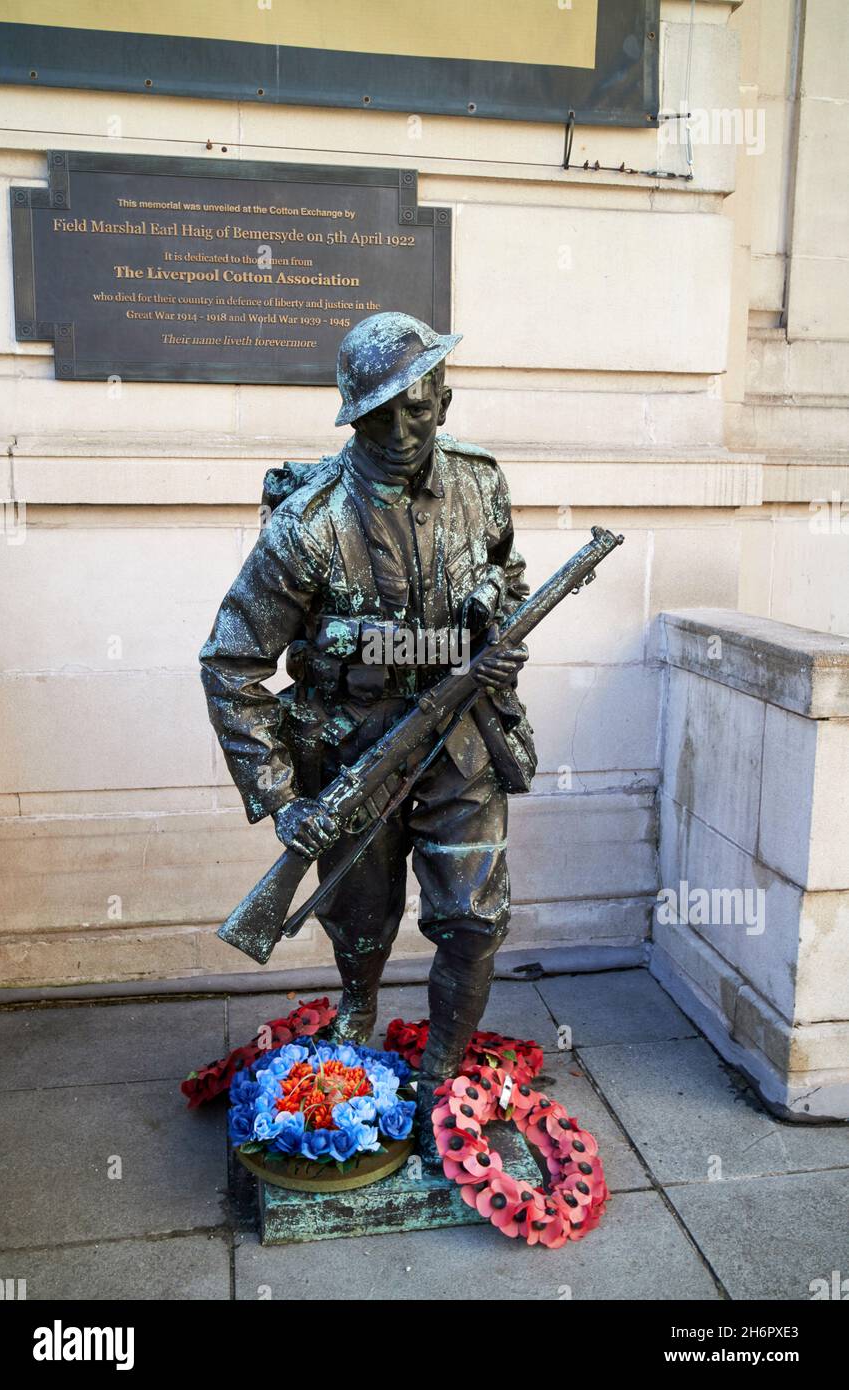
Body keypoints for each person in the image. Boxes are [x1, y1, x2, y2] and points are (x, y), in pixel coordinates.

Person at [200, 311, 536, 1159]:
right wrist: (281, 801)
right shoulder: (305, 527)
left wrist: (497, 635)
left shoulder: (483, 483)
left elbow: (506, 575)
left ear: (444, 402)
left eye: (415, 409)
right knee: (362, 917)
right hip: (353, 749)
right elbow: (231, 665)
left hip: (461, 741)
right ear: (350, 416)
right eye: (376, 414)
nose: (397, 430)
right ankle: (357, 1012)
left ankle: (443, 1076)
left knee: (473, 919)